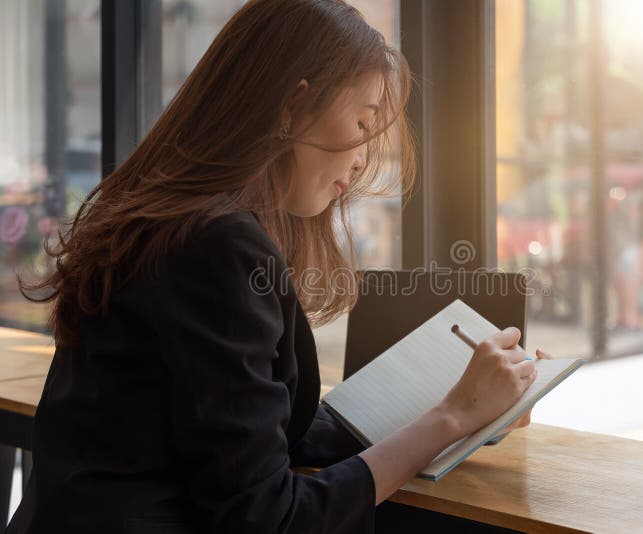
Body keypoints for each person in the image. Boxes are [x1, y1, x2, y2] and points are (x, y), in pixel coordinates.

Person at [8, 1, 538, 532]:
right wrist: (452, 416)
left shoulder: (165, 218)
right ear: (293, 104)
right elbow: (269, 518)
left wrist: (464, 411)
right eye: (363, 121)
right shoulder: (218, 246)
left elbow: (239, 432)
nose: (361, 159)